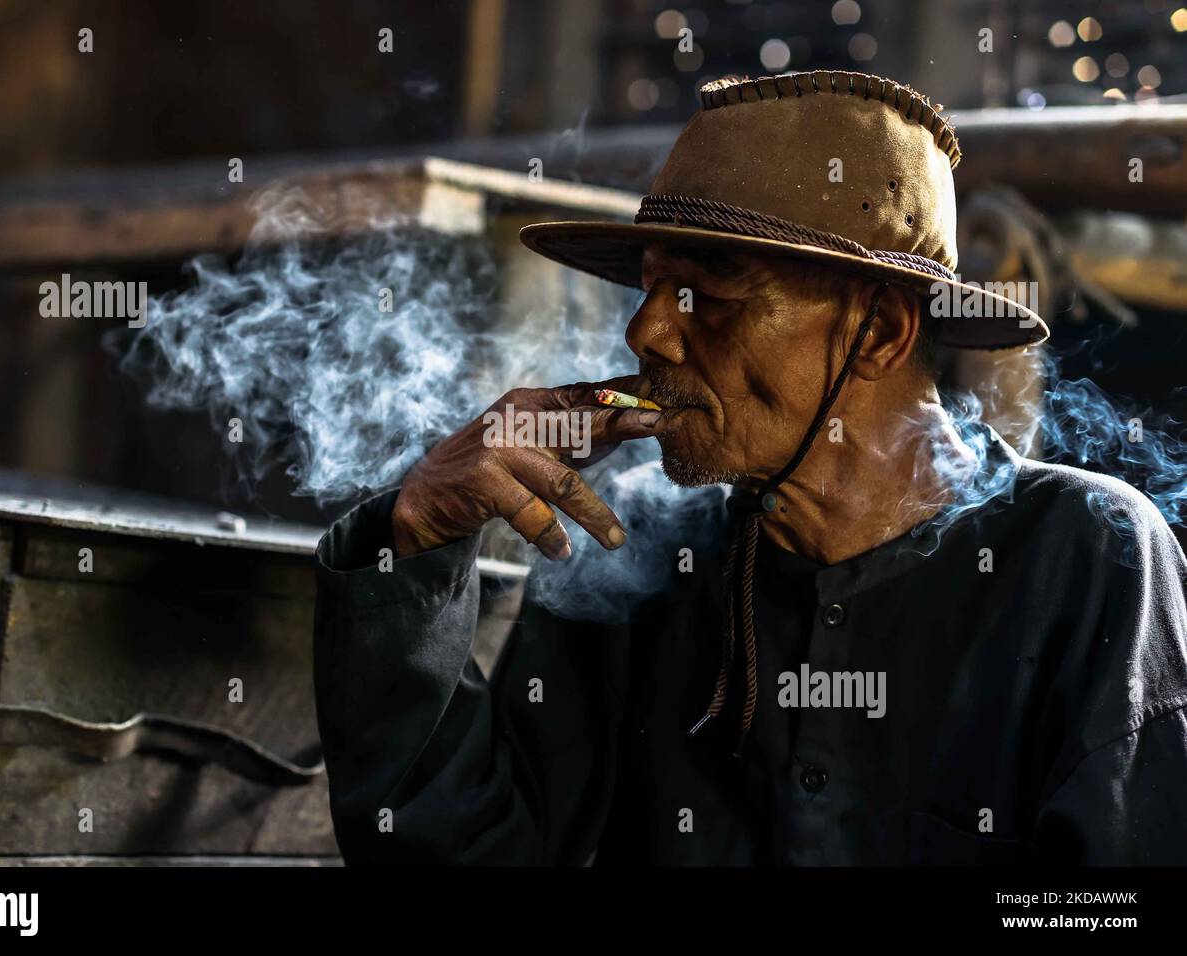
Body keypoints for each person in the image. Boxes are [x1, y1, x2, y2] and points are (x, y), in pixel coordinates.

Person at [312, 71, 1187, 864]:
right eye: (649, 289)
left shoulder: (1085, 558)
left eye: (705, 295)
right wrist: (414, 538)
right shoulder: (639, 556)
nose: (646, 333)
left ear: (880, 330)